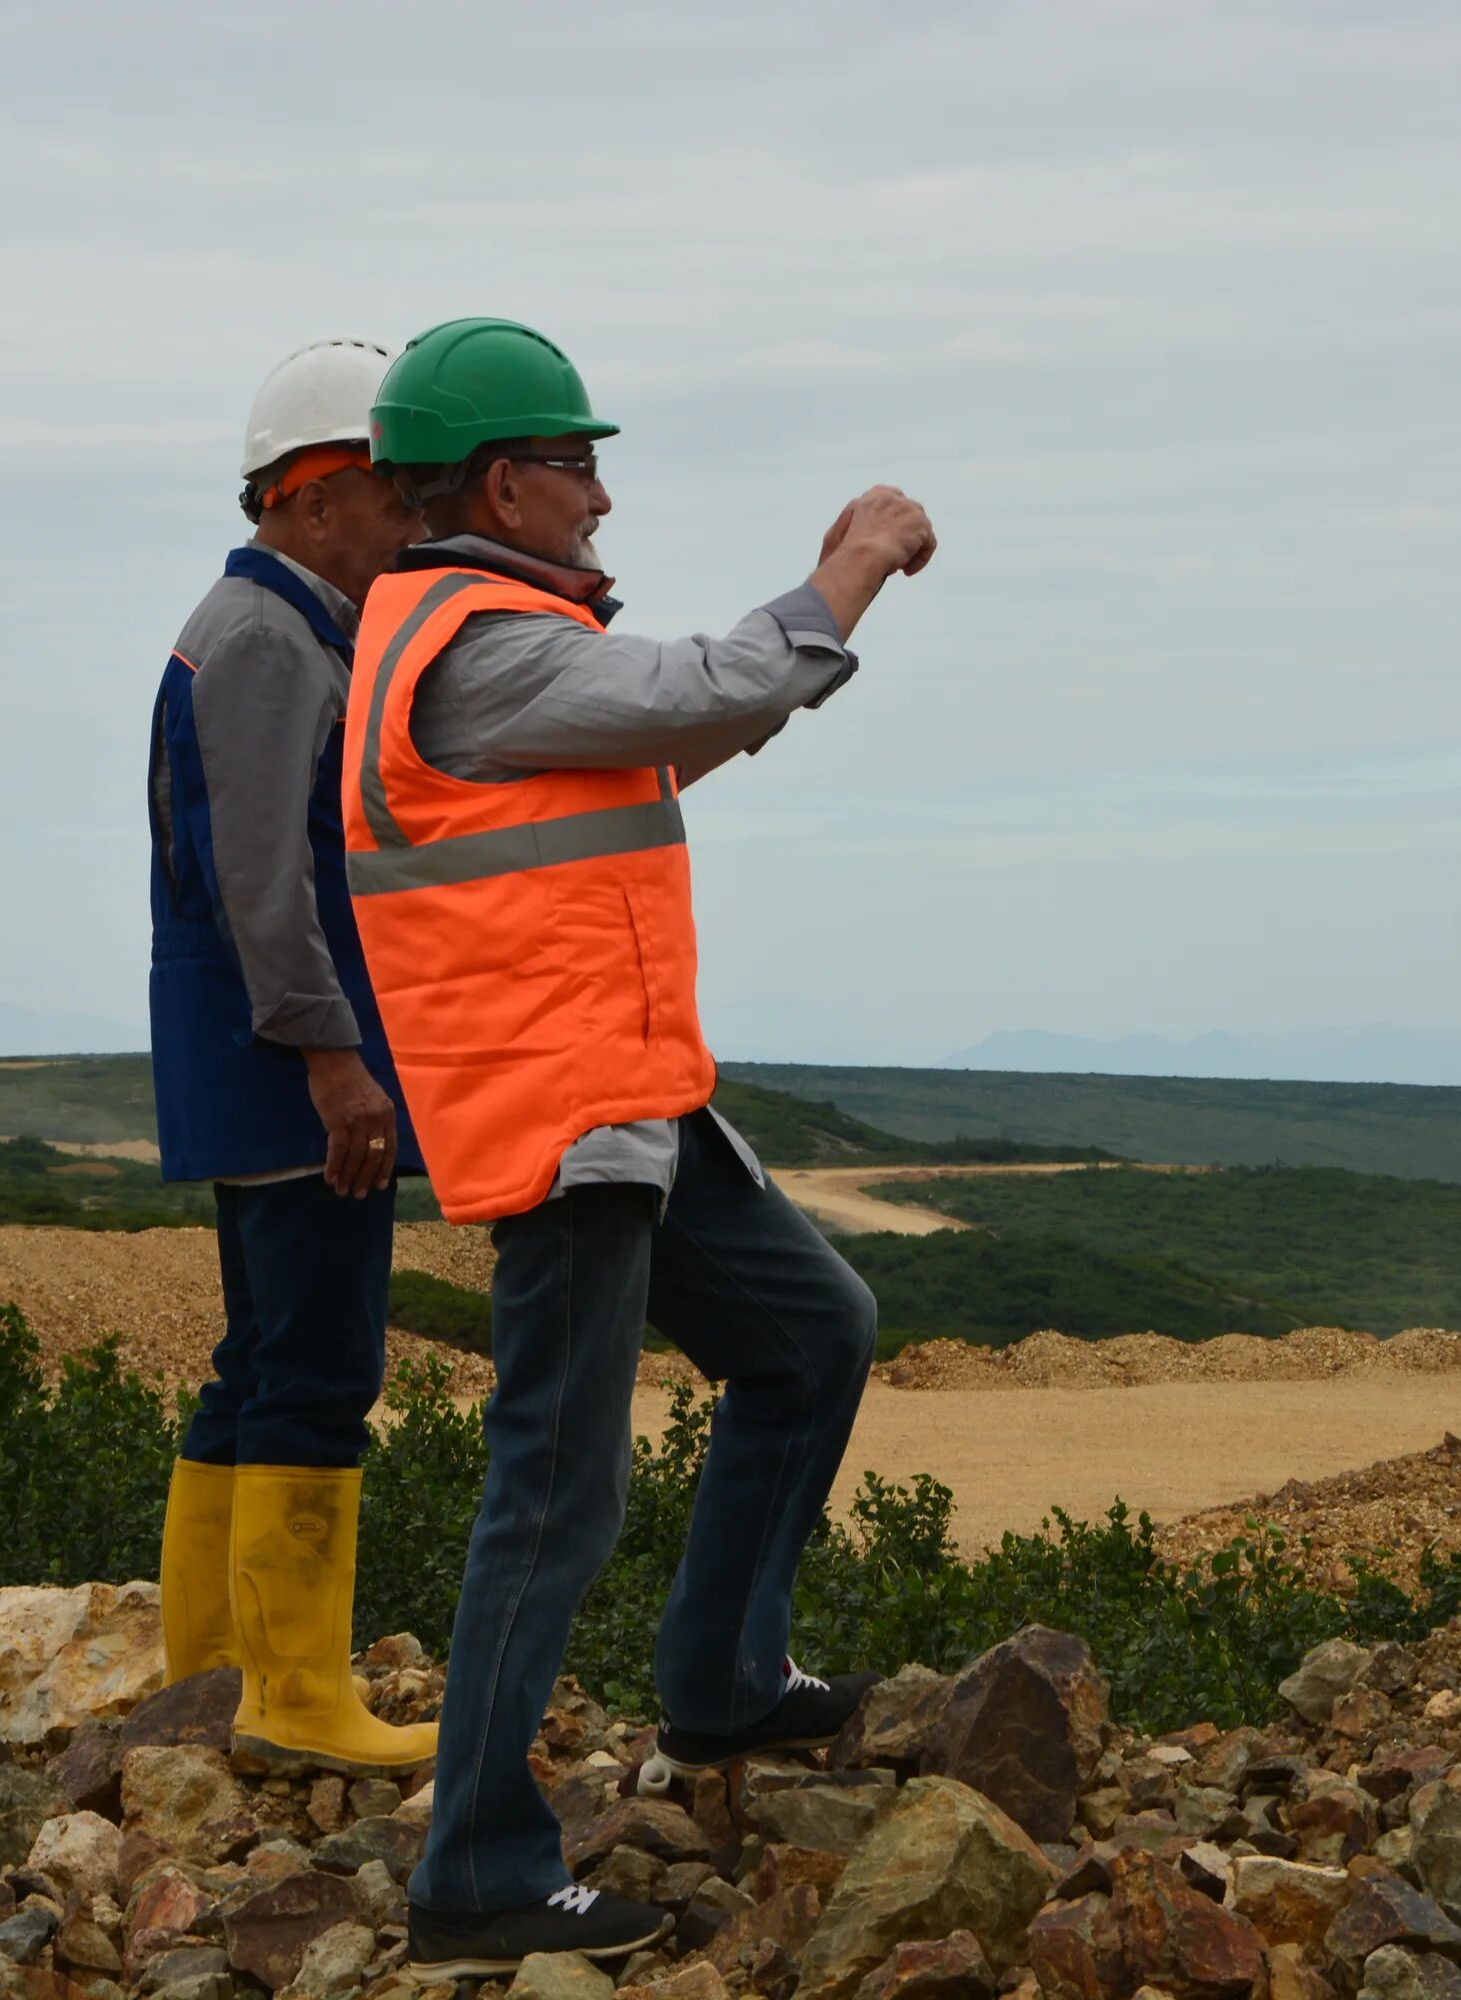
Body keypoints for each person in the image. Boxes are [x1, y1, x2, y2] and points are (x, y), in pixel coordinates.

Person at [342, 316, 937, 1973]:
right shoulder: (469, 643)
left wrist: (769, 672)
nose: (601, 496)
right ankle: (474, 1874)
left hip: (636, 1101)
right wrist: (848, 570)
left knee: (814, 1334)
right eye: (579, 463)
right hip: (561, 1119)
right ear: (500, 480)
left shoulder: (503, 636)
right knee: (555, 1489)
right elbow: (692, 688)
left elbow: (671, 729)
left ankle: (726, 1688)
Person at [144, 338, 439, 1778]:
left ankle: (212, 1680)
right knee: (318, 1365)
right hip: (285, 1061)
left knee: (259, 1359)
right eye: (393, 501)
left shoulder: (266, 626)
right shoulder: (270, 639)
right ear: (312, 501)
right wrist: (335, 1060)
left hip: (251, 1054)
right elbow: (264, 877)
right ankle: (297, 1697)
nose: (411, 528)